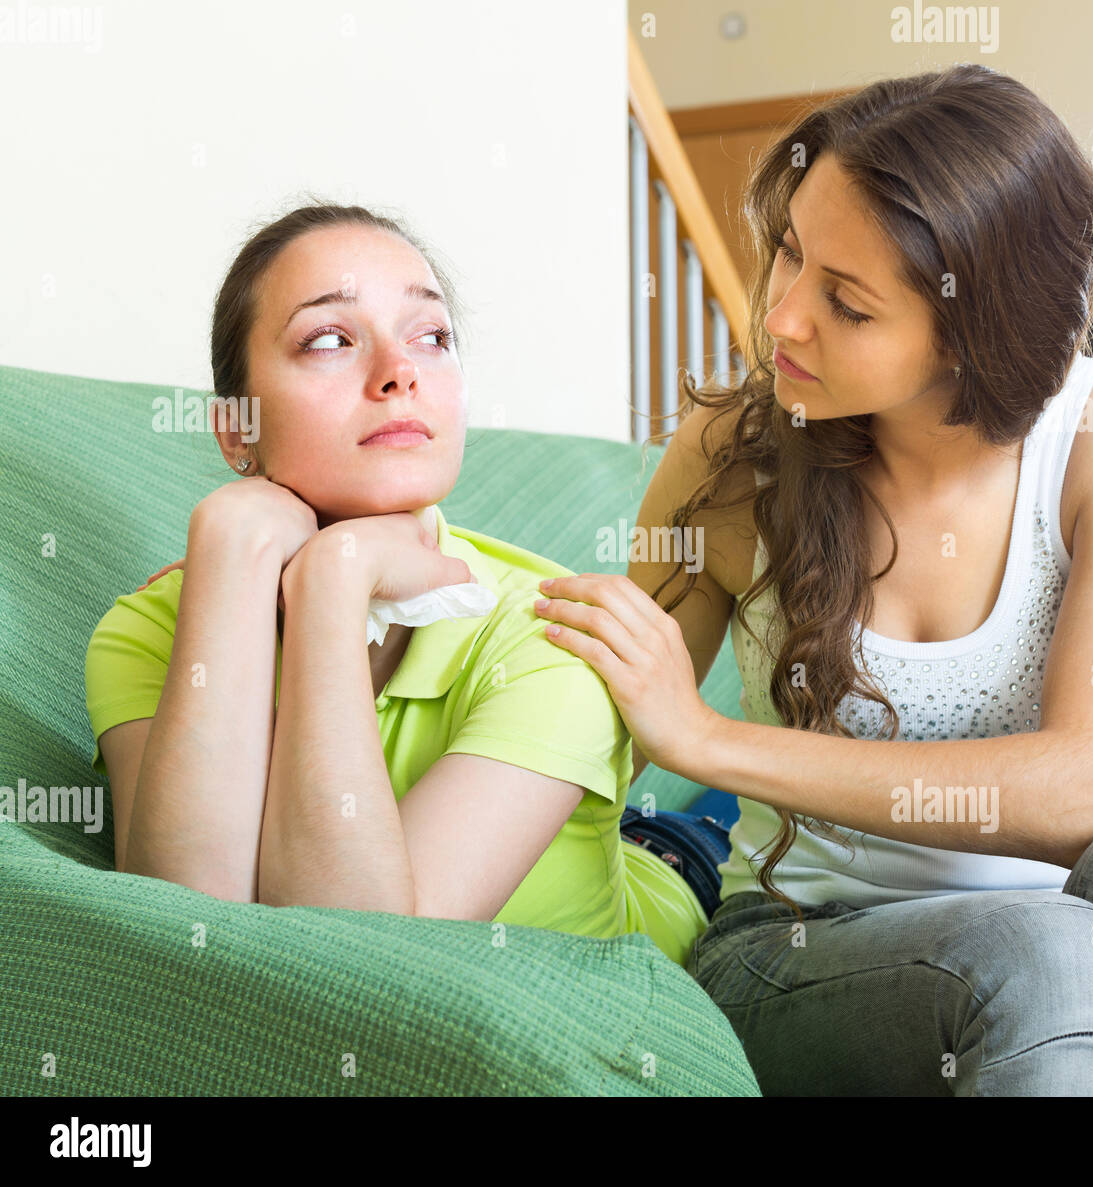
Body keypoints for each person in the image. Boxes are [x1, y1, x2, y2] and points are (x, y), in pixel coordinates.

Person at [531, 63, 1093, 1094]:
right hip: (800, 948)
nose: (782, 319)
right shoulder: (732, 452)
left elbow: (1090, 786)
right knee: (1062, 956)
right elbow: (590, 732)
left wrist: (713, 739)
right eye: (790, 254)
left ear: (975, 333)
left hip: (1073, 940)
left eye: (846, 304)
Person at [84, 203, 707, 967]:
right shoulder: (152, 629)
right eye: (329, 340)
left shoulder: (560, 630)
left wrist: (332, 580)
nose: (399, 372)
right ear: (237, 429)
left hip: (681, 877)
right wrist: (233, 546)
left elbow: (368, 959)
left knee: (699, 829)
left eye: (432, 336)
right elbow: (184, 933)